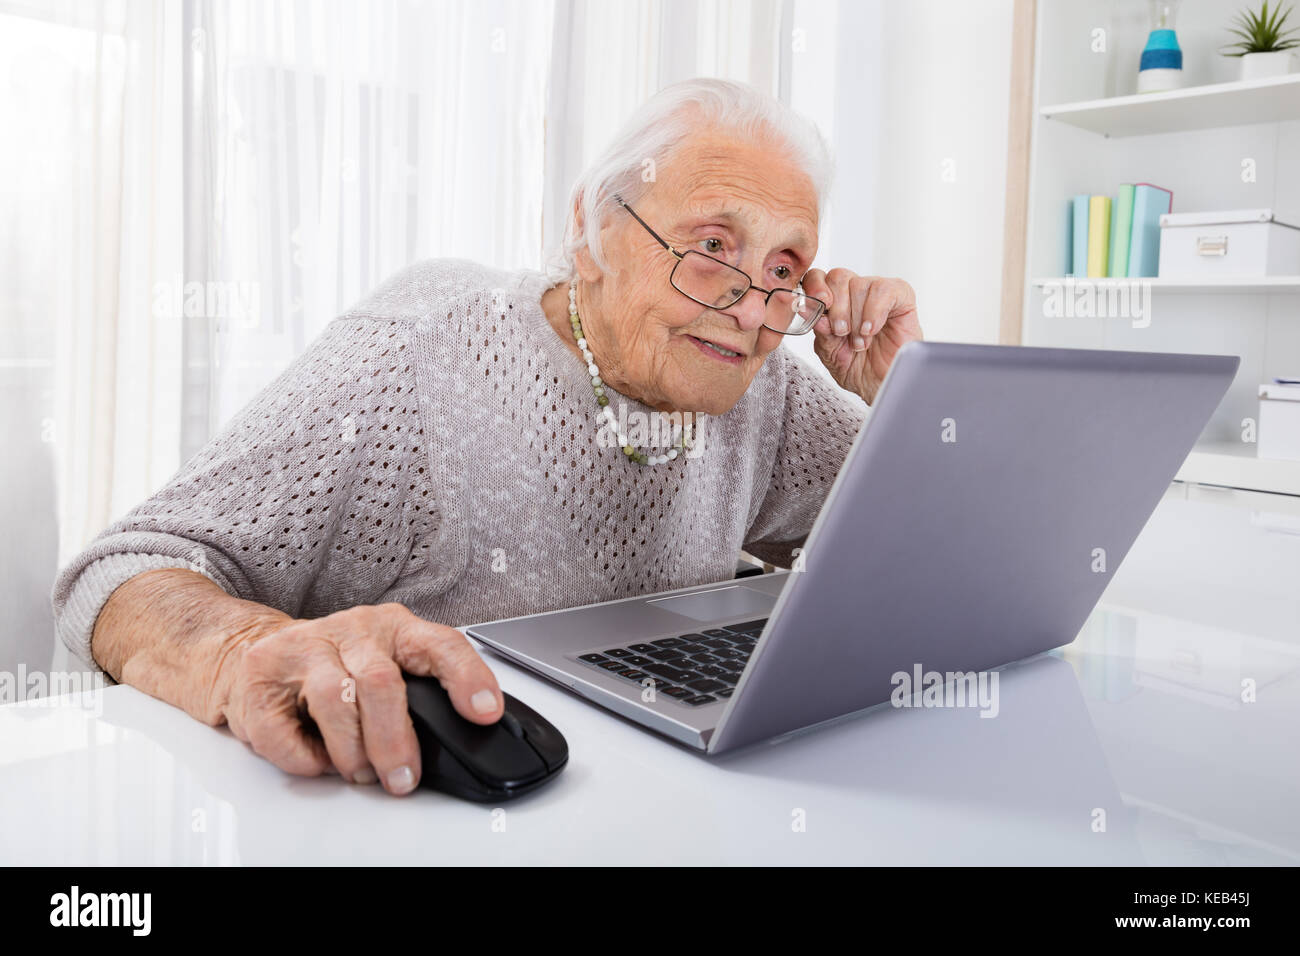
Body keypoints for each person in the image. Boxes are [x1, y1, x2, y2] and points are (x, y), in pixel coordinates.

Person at [52, 77, 923, 796]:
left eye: (782, 270)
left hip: (654, 806)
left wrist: (905, 397)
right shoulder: (418, 356)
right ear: (593, 231)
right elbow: (122, 570)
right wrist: (243, 650)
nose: (748, 310)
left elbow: (922, 565)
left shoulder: (763, 381)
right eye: (711, 244)